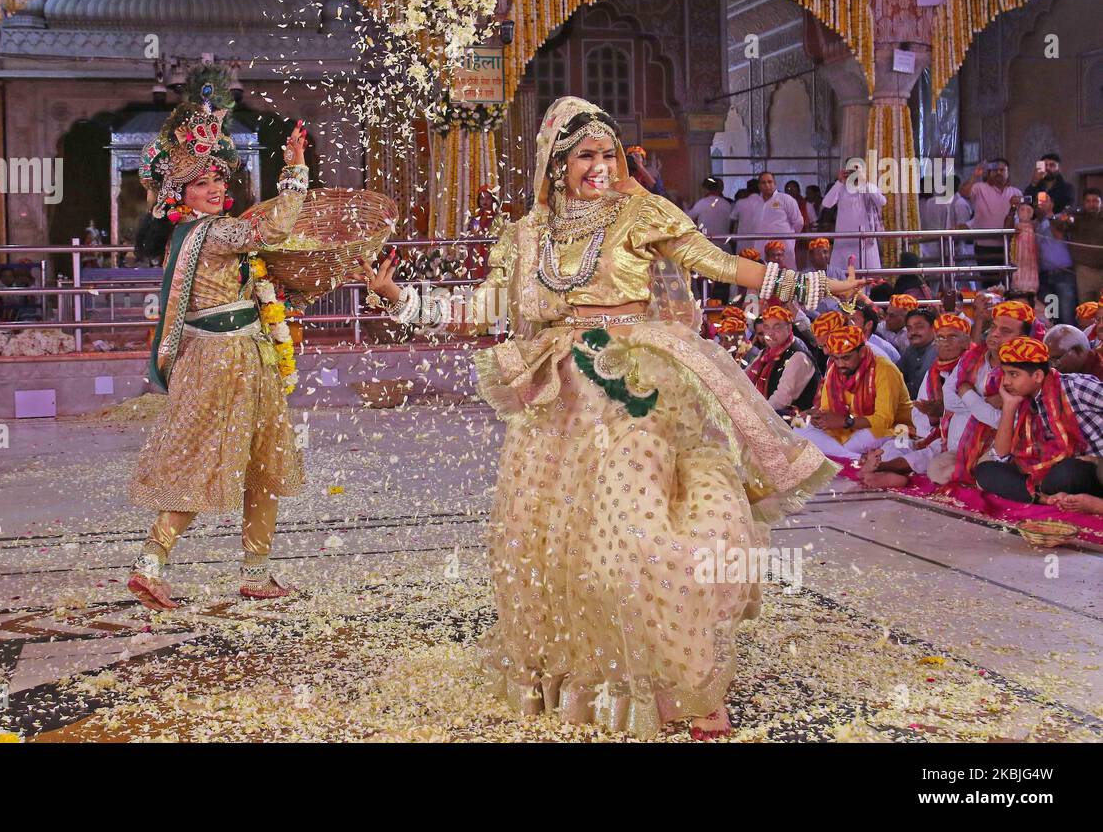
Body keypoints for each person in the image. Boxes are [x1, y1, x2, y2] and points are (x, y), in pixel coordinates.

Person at [356, 96, 861, 739]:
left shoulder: (640, 212)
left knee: (637, 543)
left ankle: (683, 679)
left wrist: (813, 289)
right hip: (557, 409)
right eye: (585, 155)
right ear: (556, 164)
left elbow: (719, 263)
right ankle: (592, 681)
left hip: (633, 390)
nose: (599, 166)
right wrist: (400, 298)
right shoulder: (526, 235)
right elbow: (483, 308)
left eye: (608, 154)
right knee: (548, 549)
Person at [127, 77, 312, 609]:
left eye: (216, 179)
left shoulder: (198, 233)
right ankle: (151, 562)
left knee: (263, 460)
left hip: (247, 355)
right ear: (178, 195)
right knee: (205, 462)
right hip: (221, 361)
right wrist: (295, 170)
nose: (213, 189)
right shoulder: (209, 233)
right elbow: (272, 228)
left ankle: (255, 569)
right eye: (200, 183)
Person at [976, 337, 1103, 502]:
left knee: (1065, 473)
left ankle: (1045, 494)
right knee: (986, 471)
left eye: (1013, 374)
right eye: (1004, 373)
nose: (1006, 382)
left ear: (1037, 376)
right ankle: (1044, 498)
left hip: (1092, 471)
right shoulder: (1023, 400)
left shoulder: (1076, 387)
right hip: (1049, 470)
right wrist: (1009, 405)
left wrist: (1096, 459)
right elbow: (1001, 455)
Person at [863, 312, 975, 486]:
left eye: (952, 337)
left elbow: (973, 412)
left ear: (966, 342)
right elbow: (918, 412)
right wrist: (931, 417)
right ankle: (889, 470)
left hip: (956, 439)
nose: (944, 343)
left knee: (928, 453)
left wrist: (941, 414)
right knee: (895, 444)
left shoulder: (973, 369)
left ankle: (883, 468)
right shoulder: (934, 371)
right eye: (940, 338)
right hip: (924, 433)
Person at [943, 299, 1034, 484]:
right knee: (937, 470)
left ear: (1023, 338)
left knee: (985, 477)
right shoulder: (971, 357)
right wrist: (984, 403)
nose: (995, 334)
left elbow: (1003, 422)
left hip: (999, 452)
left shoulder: (1025, 371)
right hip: (960, 448)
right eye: (993, 327)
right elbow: (948, 400)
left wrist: (967, 393)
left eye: (1005, 331)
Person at [791, 324, 913, 462]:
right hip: (850, 426)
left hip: (895, 428)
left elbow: (884, 419)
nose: (840, 364)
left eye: (846, 358)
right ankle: (856, 457)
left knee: (863, 439)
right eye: (835, 358)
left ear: (861, 352)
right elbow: (827, 410)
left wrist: (846, 421)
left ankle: (839, 455)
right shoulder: (835, 370)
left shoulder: (885, 369)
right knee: (799, 426)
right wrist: (815, 416)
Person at [746, 305, 819, 414]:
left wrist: (752, 414)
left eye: (777, 327)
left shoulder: (798, 357)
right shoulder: (765, 353)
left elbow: (780, 401)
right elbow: (745, 377)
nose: (770, 333)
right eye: (766, 327)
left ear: (789, 328)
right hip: (769, 416)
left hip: (793, 424)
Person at [960, 159, 1021, 284]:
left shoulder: (1016, 192)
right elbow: (963, 193)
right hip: (985, 246)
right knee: (989, 286)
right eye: (995, 170)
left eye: (1002, 170)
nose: (998, 173)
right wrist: (975, 176)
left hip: (1009, 246)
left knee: (1010, 284)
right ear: (988, 173)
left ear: (1008, 172)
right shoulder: (979, 188)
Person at [822, 162, 886, 279]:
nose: (854, 173)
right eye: (851, 170)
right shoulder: (840, 188)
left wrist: (864, 183)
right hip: (844, 241)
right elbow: (826, 203)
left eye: (857, 170)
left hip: (866, 242)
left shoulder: (869, 187)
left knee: (869, 279)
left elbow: (881, 201)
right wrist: (839, 181)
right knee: (842, 278)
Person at [731, 171, 803, 265]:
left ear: (775, 184)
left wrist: (789, 239)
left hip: (783, 249)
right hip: (760, 249)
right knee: (762, 276)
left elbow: (798, 223)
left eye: (770, 182)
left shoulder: (786, 199)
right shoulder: (755, 202)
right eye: (763, 183)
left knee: (786, 276)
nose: (767, 185)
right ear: (759, 186)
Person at [1054, 187, 1103, 305]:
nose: (1092, 204)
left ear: (1101, 202)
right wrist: (1064, 220)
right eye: (1088, 201)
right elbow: (1059, 226)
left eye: (1095, 201)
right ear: (1084, 203)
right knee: (1086, 308)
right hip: (1084, 271)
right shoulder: (1077, 217)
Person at [898, 306, 939, 398]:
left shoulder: (940, 350)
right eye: (909, 328)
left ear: (934, 328)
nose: (913, 332)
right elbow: (895, 375)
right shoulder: (911, 349)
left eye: (919, 327)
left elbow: (920, 385)